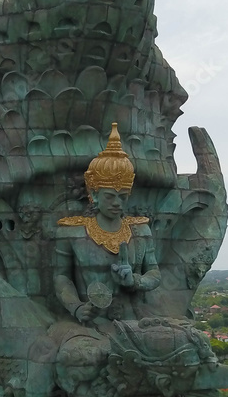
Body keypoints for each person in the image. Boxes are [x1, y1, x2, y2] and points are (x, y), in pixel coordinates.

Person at [54, 123, 161, 324]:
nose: (117, 203)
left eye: (123, 197)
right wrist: (76, 308)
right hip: (92, 321)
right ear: (94, 194)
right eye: (110, 196)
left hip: (135, 319)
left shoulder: (139, 230)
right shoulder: (72, 232)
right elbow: (62, 278)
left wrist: (135, 281)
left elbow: (154, 273)